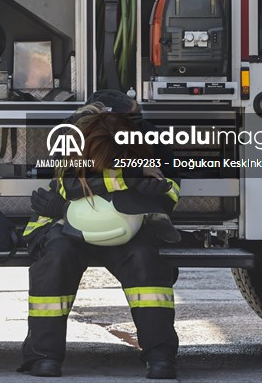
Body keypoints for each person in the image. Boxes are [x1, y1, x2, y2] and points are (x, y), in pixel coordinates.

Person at [19, 104, 181, 379]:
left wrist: (152, 189)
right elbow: (70, 185)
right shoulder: (73, 139)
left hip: (126, 228)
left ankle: (160, 356)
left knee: (145, 261)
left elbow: (171, 192)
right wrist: (129, 178)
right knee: (57, 255)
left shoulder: (151, 142)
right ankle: (45, 357)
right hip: (69, 226)